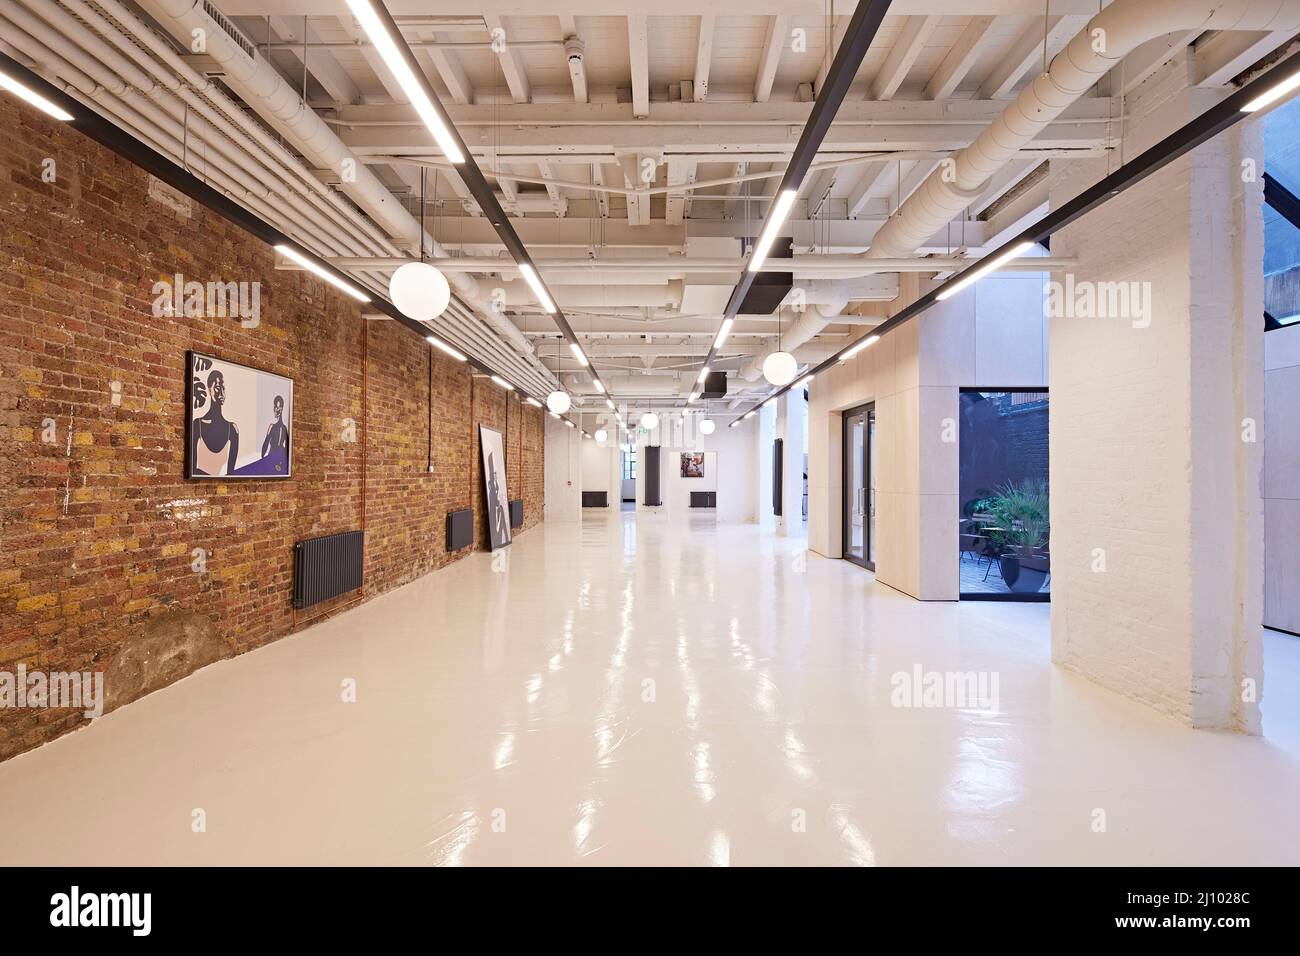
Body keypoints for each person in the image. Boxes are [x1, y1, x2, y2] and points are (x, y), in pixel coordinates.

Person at [191, 369, 239, 476]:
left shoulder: (232, 429)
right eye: (217, 388)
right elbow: (192, 470)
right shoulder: (197, 425)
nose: (221, 393)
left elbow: (231, 475)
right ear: (209, 390)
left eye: (223, 388)